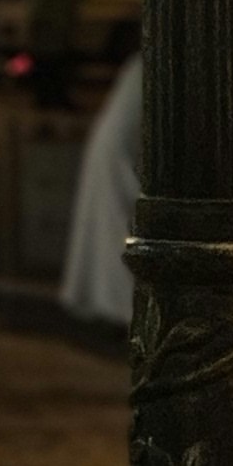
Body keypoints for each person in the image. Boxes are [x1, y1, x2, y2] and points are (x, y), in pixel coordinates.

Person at [59, 37, 140, 330]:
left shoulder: (138, 66)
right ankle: (122, 315)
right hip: (122, 163)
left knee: (110, 237)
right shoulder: (150, 67)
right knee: (122, 240)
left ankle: (112, 310)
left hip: (117, 159)